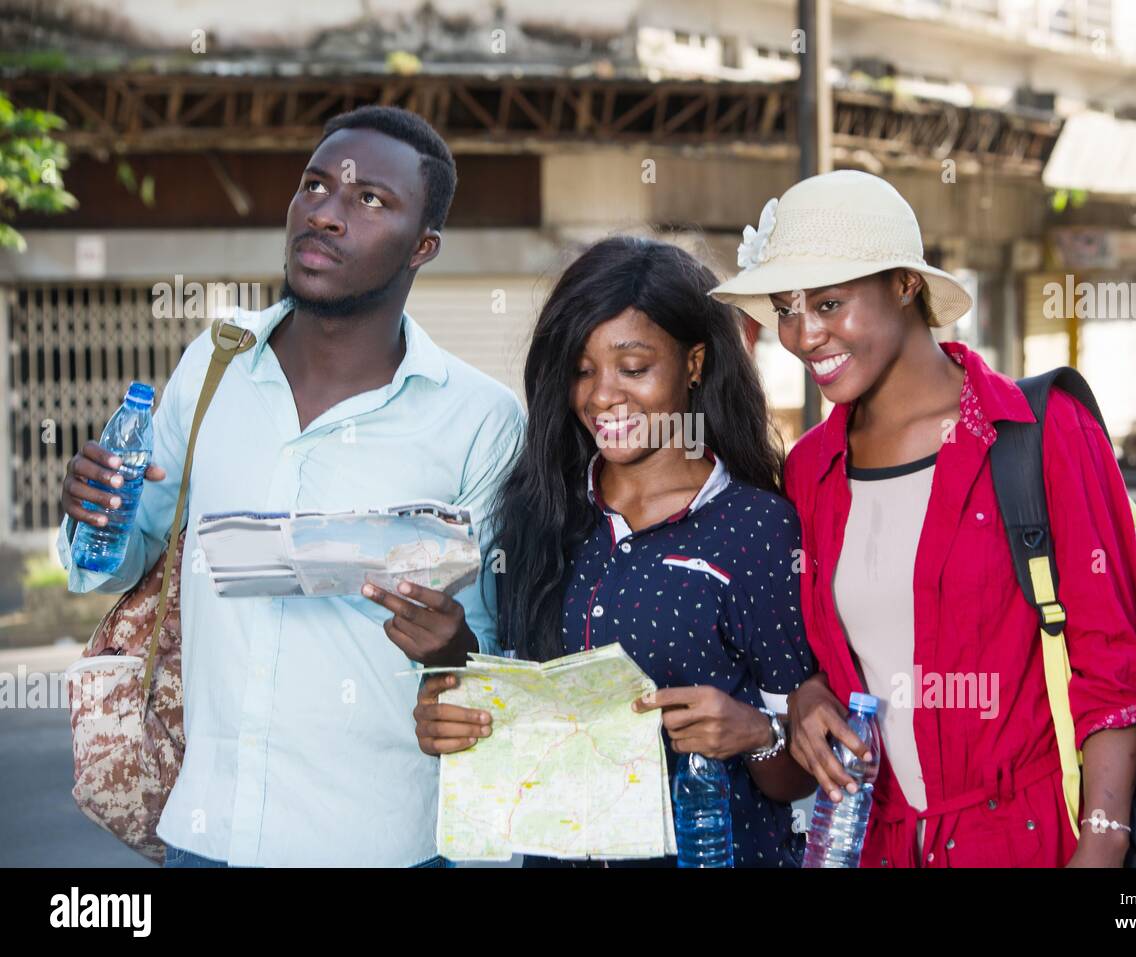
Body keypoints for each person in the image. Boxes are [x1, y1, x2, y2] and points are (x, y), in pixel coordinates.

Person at [58, 106, 525, 867]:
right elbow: (123, 557)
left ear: (424, 246)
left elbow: (488, 658)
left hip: (387, 845)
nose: (327, 214)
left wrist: (456, 649)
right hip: (207, 835)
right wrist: (93, 514)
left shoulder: (481, 417)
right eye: (315, 186)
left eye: (371, 199)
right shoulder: (213, 363)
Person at [708, 170, 1136, 867]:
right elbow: (819, 663)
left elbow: (1115, 670)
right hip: (874, 844)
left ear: (905, 284)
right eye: (786, 308)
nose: (804, 335)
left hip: (1033, 840)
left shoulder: (1041, 432)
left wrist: (1101, 841)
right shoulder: (807, 470)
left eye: (829, 302)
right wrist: (804, 699)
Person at [413, 236, 817, 866]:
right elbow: (520, 710)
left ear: (694, 363)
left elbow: (800, 776)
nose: (602, 395)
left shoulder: (758, 529)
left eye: (633, 368)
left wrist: (757, 736)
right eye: (582, 369)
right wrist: (454, 713)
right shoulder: (540, 513)